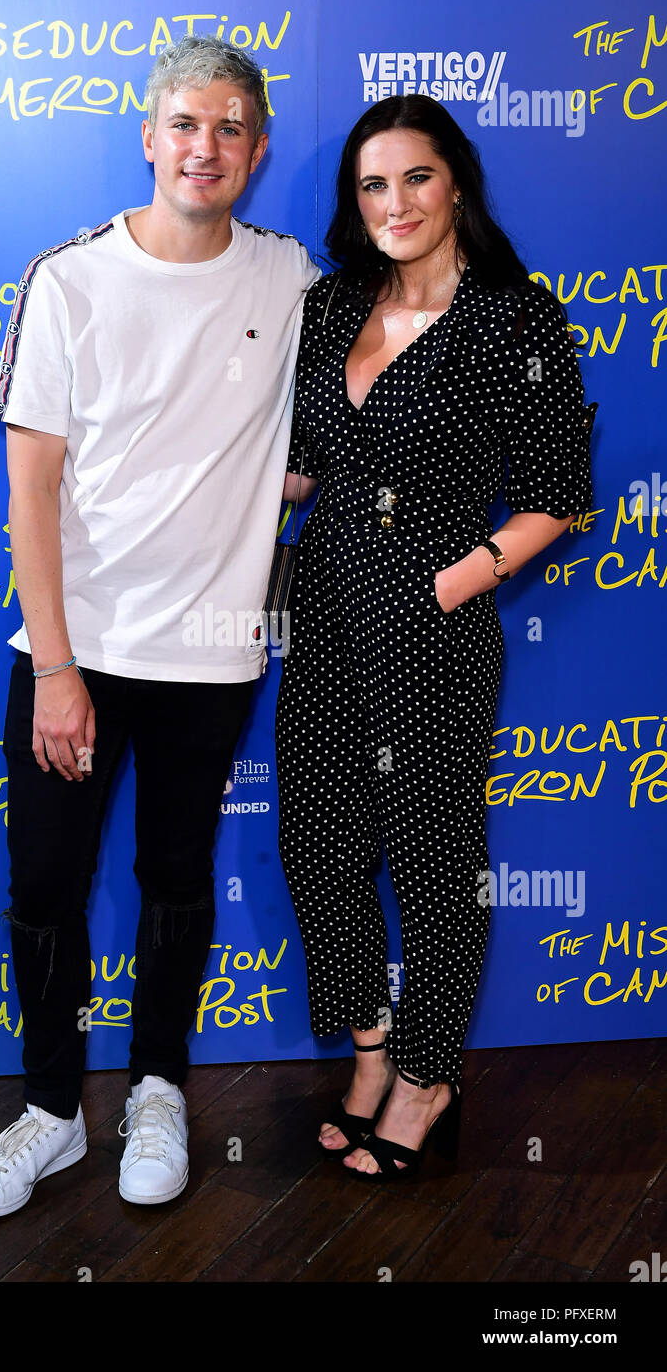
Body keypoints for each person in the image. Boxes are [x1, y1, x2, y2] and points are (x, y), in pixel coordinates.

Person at [0, 35, 319, 1218]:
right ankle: (51, 1112)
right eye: (183, 123)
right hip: (77, 656)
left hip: (212, 649)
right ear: (147, 137)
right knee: (46, 884)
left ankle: (158, 1084)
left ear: (255, 151)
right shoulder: (68, 279)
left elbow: (326, 418)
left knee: (174, 875)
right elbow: (30, 487)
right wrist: (56, 665)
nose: (202, 146)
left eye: (227, 127)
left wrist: (294, 477)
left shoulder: (289, 275)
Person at [275, 95, 594, 1181]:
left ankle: (426, 1073)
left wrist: (452, 582)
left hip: (433, 623)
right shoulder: (332, 306)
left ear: (454, 181)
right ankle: (368, 1049)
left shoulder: (517, 318)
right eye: (373, 184)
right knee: (317, 846)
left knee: (432, 858)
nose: (395, 202)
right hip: (320, 605)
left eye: (414, 177)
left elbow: (556, 494)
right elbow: (315, 461)